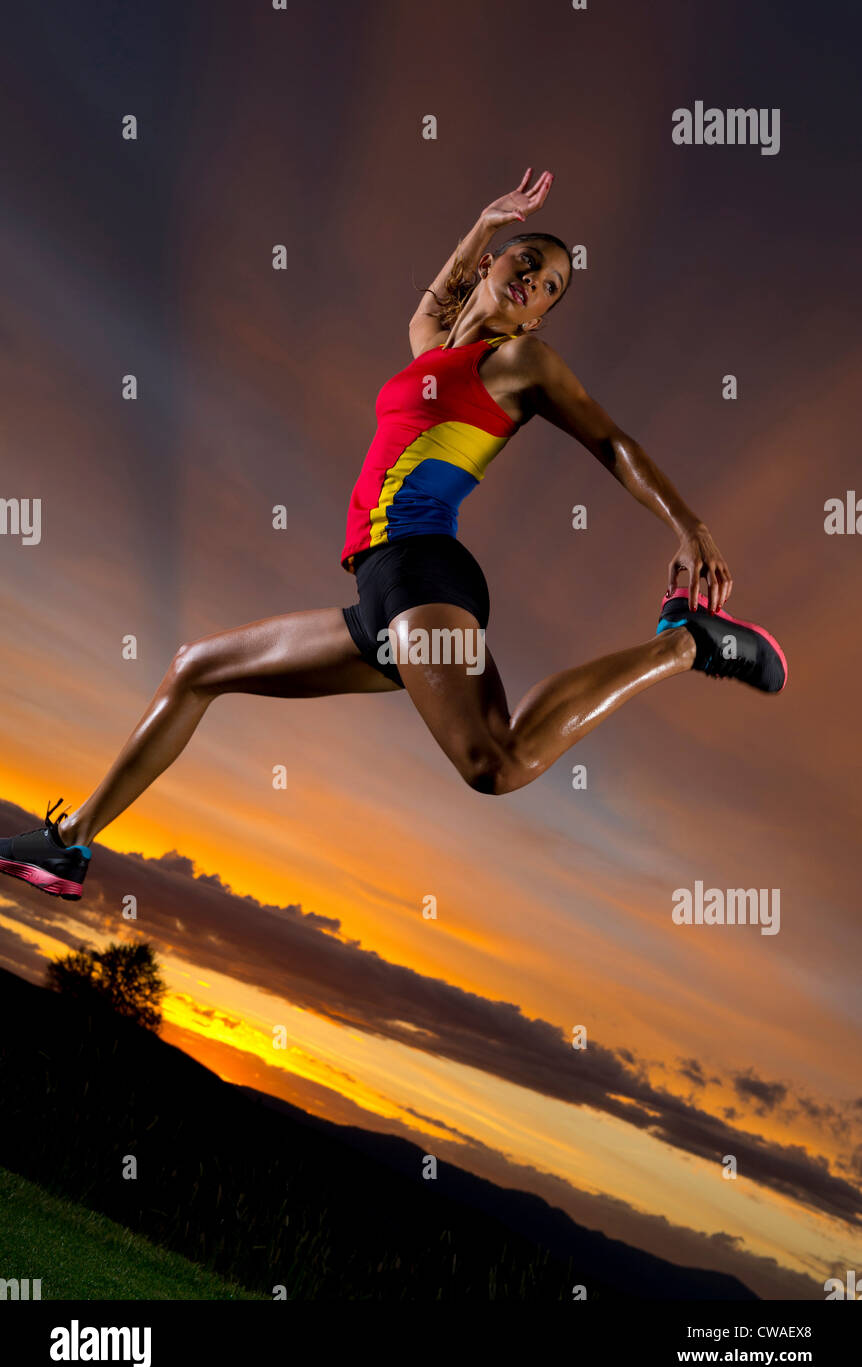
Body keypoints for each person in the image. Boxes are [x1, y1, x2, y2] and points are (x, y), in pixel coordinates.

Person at [0, 169, 786, 902]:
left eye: (549, 285)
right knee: (194, 668)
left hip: (424, 572)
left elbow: (611, 442)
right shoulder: (432, 352)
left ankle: (687, 643)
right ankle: (69, 843)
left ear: (541, 314)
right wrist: (483, 223)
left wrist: (689, 523)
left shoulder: (520, 363)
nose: (533, 280)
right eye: (526, 260)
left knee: (495, 762)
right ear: (492, 266)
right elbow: (431, 303)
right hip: (380, 596)